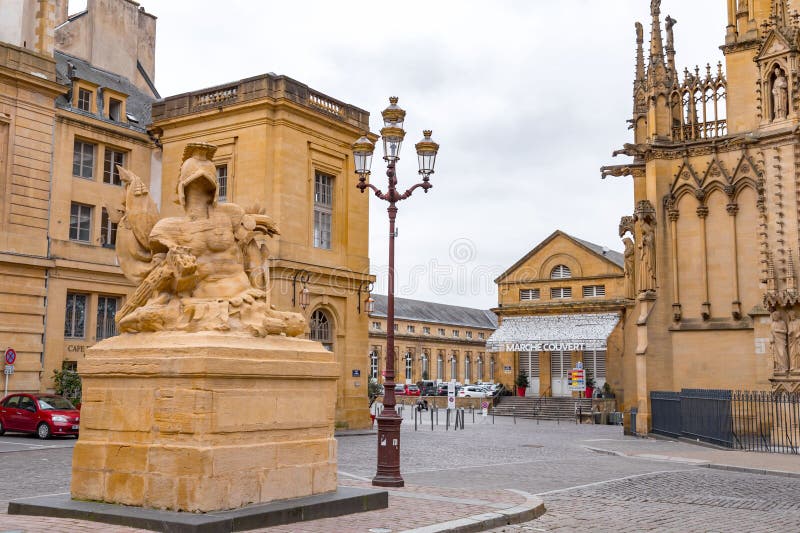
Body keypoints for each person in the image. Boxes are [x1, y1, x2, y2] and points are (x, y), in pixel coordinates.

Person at [115, 143, 304, 337]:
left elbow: (251, 253)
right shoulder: (167, 228)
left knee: (298, 324)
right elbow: (161, 284)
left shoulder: (231, 215)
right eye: (194, 181)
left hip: (245, 301)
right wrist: (178, 273)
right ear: (182, 188)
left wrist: (260, 293)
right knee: (139, 320)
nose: (201, 183)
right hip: (195, 306)